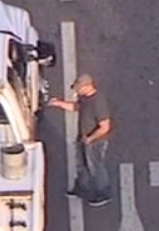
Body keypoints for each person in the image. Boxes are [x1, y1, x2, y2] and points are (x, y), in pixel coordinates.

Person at [46, 74, 113, 206]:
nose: (77, 91)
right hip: (84, 138)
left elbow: (105, 126)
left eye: (79, 88)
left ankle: (103, 193)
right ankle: (82, 188)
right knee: (82, 165)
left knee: (95, 166)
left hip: (95, 142)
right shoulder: (85, 98)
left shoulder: (98, 102)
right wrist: (59, 103)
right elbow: (76, 107)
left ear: (88, 86)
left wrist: (90, 138)